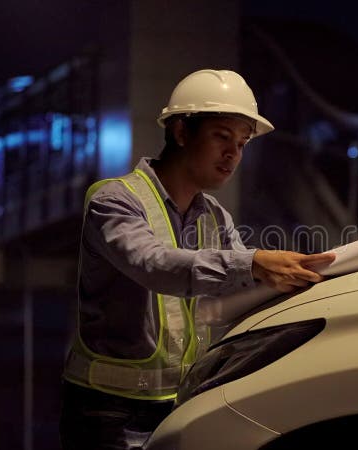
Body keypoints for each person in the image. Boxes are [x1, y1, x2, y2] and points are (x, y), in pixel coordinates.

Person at [59, 69, 335, 450]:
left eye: (242, 143)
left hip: (179, 404)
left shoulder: (215, 216)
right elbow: (153, 265)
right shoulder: (115, 201)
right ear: (181, 131)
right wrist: (254, 263)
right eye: (222, 136)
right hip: (106, 412)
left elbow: (248, 284)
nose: (232, 154)